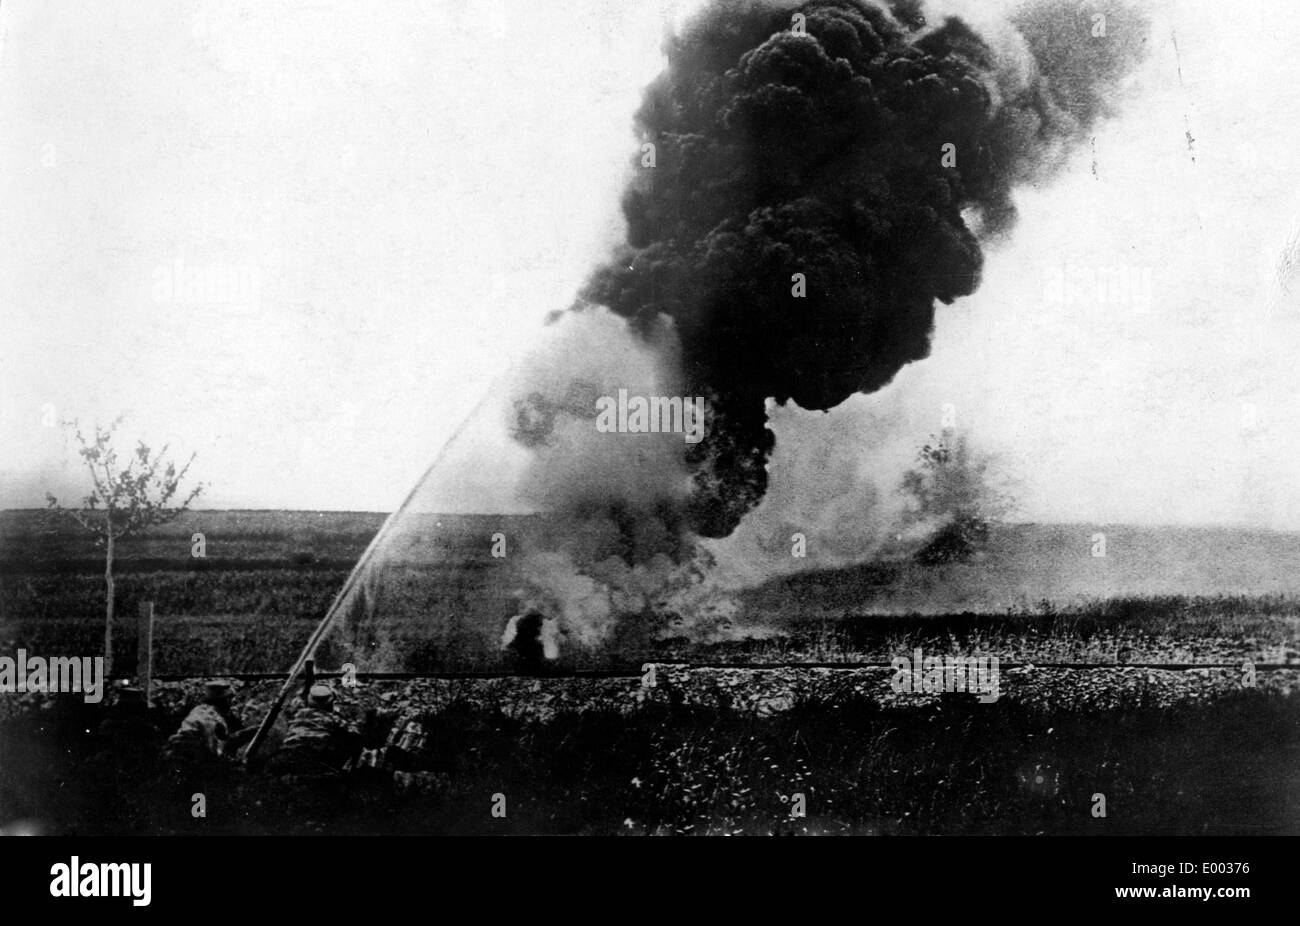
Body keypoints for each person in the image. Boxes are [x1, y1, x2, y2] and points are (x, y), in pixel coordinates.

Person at [267, 684, 362, 780]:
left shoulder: (298, 713)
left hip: (288, 751)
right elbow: (354, 733)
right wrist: (354, 720)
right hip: (314, 755)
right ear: (330, 703)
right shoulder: (332, 718)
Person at [161, 680, 244, 769]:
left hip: (173, 752)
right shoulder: (213, 717)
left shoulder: (198, 709)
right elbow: (215, 751)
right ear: (224, 700)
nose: (231, 703)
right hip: (187, 759)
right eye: (229, 699)